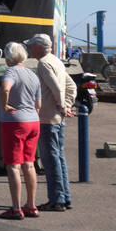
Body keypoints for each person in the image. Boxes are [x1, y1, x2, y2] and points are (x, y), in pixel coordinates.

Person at [27, 33, 76, 212]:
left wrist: (63, 106)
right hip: (57, 118)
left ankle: (56, 200)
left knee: (50, 159)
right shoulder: (56, 61)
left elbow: (57, 89)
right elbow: (71, 86)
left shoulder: (44, 63)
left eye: (31, 45)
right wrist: (67, 106)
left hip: (48, 118)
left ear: (39, 47)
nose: (29, 48)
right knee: (59, 157)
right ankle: (64, 197)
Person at [0, 42, 42, 219]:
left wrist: (5, 105)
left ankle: (16, 208)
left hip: (14, 122)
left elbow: (5, 89)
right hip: (33, 121)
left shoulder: (11, 72)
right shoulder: (33, 75)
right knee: (29, 164)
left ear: (9, 58)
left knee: (13, 166)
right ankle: (31, 205)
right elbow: (38, 104)